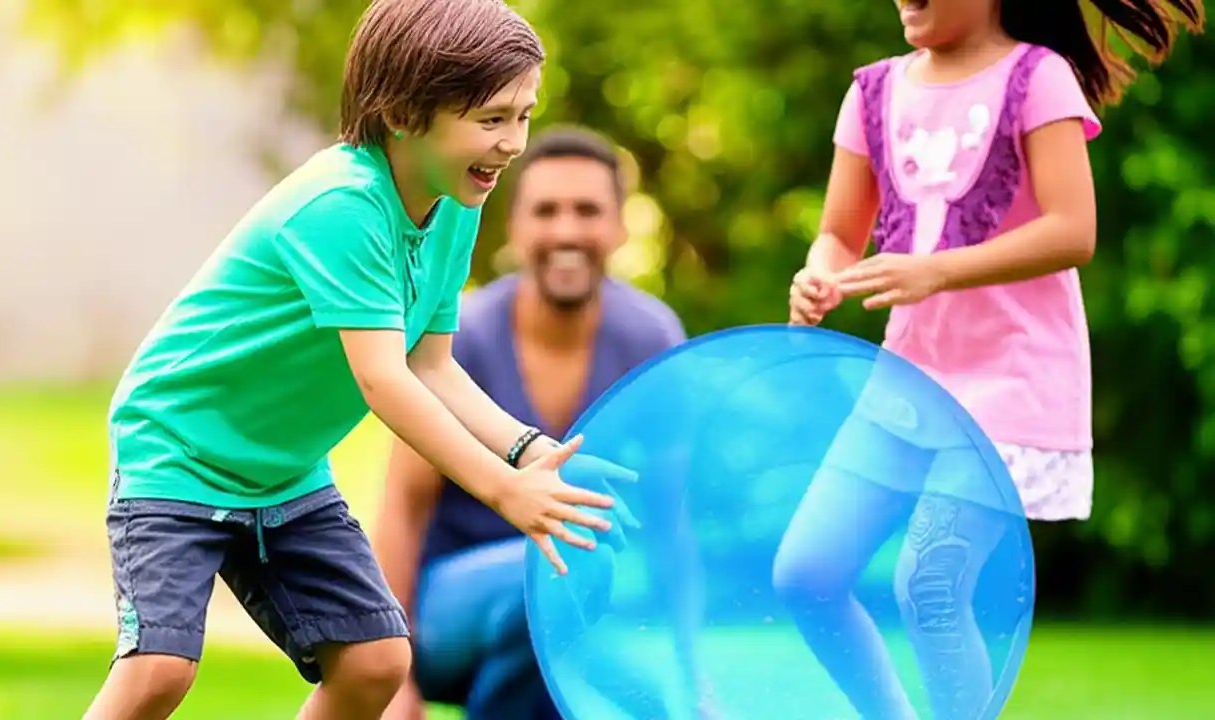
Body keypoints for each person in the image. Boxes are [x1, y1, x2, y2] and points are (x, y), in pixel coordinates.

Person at [82, 3, 631, 719]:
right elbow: (384, 381)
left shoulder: (454, 205)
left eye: (523, 116)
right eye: (493, 119)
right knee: (159, 671)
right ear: (405, 113)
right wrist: (502, 492)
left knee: (376, 662)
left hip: (282, 472)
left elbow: (433, 366)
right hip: (179, 451)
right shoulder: (343, 204)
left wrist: (528, 452)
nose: (513, 143)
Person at [779, 0, 1204, 718]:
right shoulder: (873, 91)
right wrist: (819, 272)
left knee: (932, 588)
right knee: (807, 572)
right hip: (908, 381)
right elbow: (838, 233)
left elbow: (1074, 230)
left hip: (1013, 379)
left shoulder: (1035, 79)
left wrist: (937, 270)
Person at [373, 126, 688, 720]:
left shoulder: (652, 338)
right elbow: (402, 508)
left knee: (660, 706)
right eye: (546, 211)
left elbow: (674, 527)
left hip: (581, 616)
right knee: (559, 569)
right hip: (446, 614)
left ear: (620, 227)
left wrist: (692, 672)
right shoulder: (459, 336)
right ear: (515, 228)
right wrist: (396, 674)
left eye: (587, 211)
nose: (566, 231)